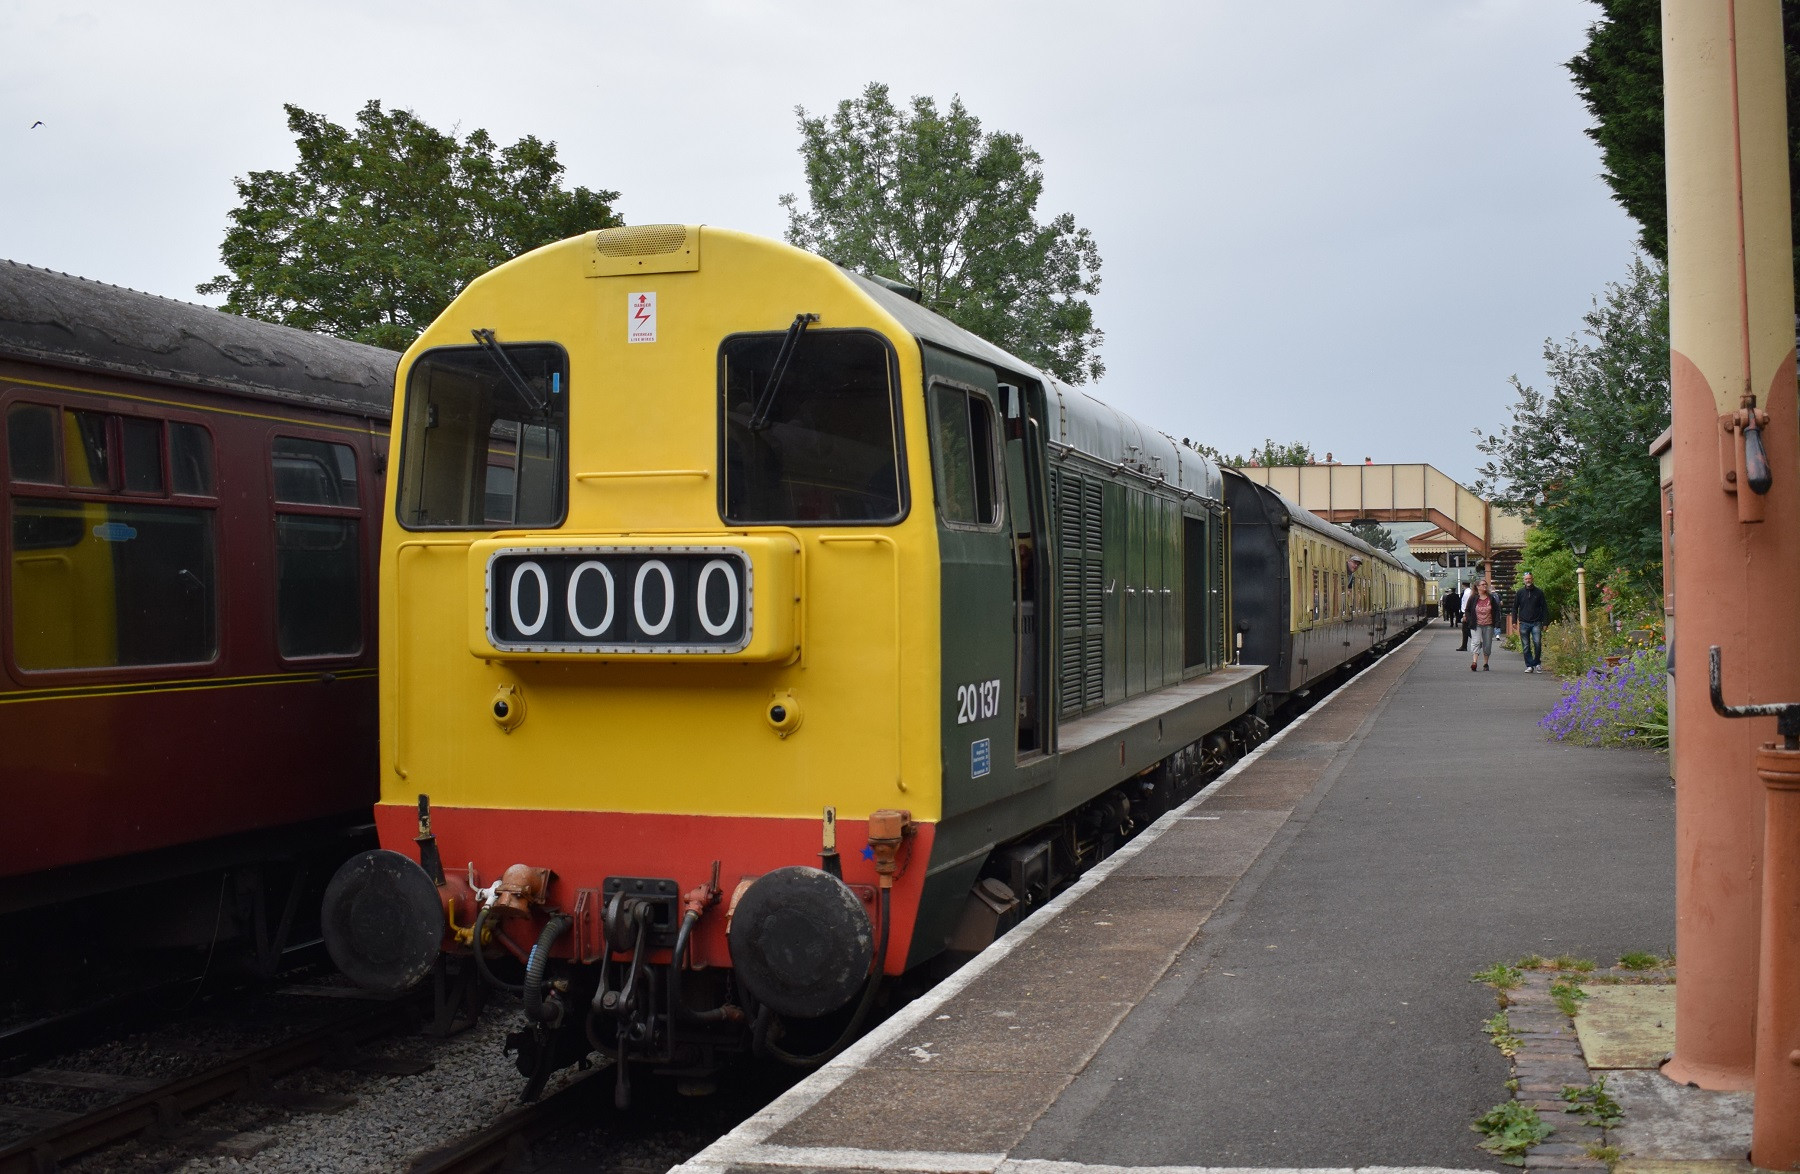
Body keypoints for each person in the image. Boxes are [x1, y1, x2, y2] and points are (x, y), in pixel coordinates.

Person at [1513, 570, 1549, 673]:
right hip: (1524, 622)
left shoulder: (1539, 592)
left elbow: (1545, 608)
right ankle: (1529, 665)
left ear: (1532, 579)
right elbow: (1515, 607)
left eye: (1529, 578)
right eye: (1526, 579)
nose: (1528, 580)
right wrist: (1514, 621)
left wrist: (1545, 622)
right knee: (1526, 645)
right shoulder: (1520, 592)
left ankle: (1537, 663)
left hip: (1536, 622)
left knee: (1537, 643)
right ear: (1523, 580)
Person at [1469, 579, 1499, 671]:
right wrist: (1470, 620)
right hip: (1476, 624)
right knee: (1476, 642)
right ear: (1477, 587)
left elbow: (1496, 610)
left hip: (1488, 624)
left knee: (1487, 644)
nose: (1485, 586)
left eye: (1485, 584)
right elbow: (1467, 610)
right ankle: (1474, 662)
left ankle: (1486, 663)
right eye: (1482, 585)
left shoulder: (1491, 598)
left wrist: (1497, 622)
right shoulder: (1473, 598)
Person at [1457, 581, 1476, 651]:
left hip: (1466, 613)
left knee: (1466, 630)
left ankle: (1476, 642)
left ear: (1463, 585)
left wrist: (1465, 614)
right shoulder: (1469, 592)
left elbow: (1466, 604)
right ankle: (1464, 645)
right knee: (1465, 629)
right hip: (1467, 612)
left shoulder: (1467, 593)